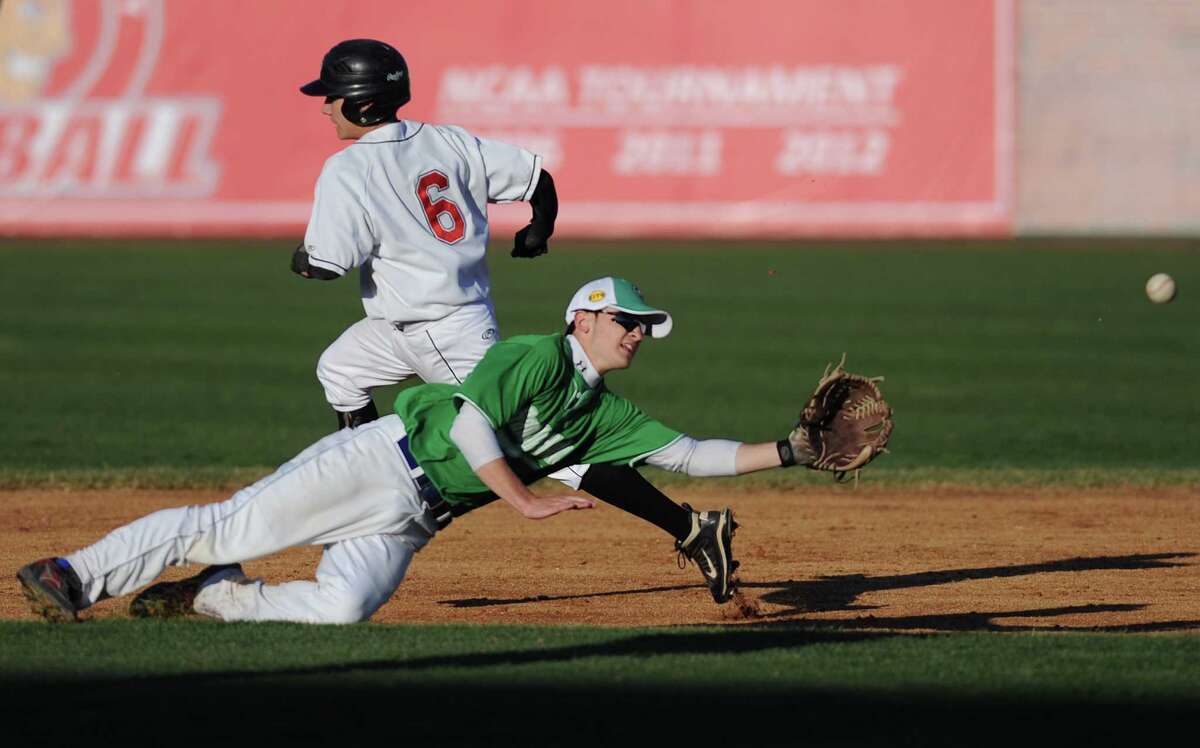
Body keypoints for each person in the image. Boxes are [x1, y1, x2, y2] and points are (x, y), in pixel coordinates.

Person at [17, 278, 819, 624]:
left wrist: (792, 449)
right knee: (227, 526)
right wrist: (524, 499)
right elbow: (471, 424)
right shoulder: (534, 357)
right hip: (380, 460)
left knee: (343, 609)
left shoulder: (598, 416)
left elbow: (690, 455)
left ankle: (215, 601)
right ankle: (74, 574)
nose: (638, 333)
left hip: (414, 516)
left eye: (644, 327)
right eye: (627, 321)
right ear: (583, 319)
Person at [290, 38, 739, 602]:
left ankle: (692, 529)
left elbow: (325, 266)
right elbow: (537, 181)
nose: (324, 106)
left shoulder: (347, 168)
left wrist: (302, 261)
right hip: (401, 327)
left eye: (331, 96)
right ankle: (357, 498)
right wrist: (536, 231)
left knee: (549, 450)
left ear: (359, 104)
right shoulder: (446, 140)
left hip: (449, 335)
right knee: (340, 369)